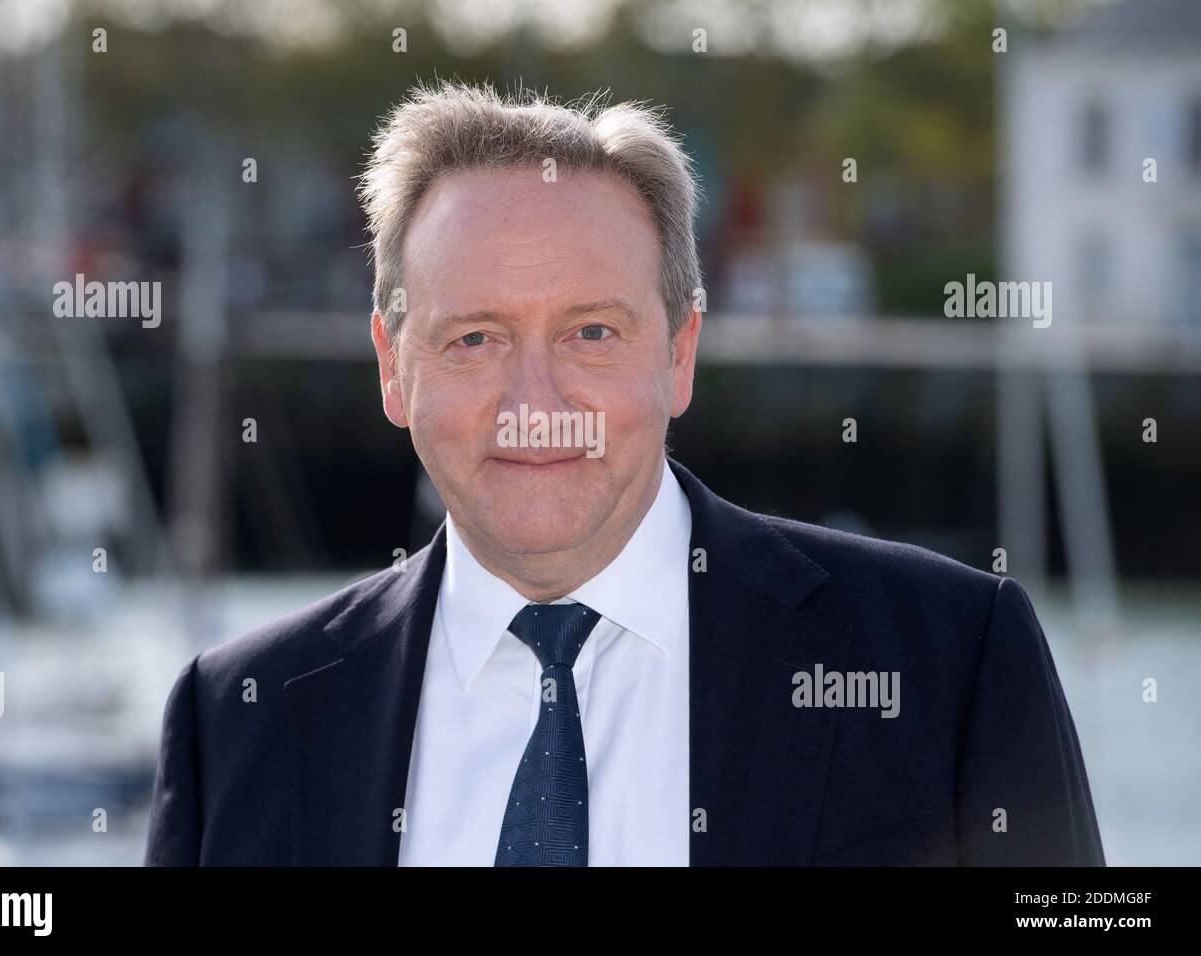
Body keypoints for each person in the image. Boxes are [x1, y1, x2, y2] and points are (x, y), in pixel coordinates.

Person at [144, 81, 1104, 866]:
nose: (536, 399)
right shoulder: (235, 725)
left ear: (680, 353)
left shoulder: (950, 666)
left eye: (591, 334)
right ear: (394, 368)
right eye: (475, 338)